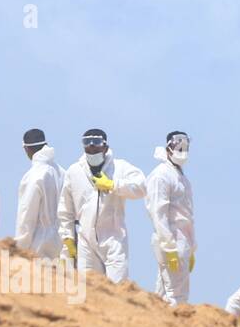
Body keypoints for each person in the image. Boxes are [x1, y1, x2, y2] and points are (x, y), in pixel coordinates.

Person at [57, 129, 146, 282]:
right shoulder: (74, 171)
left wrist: (114, 185)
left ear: (105, 146)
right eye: (87, 142)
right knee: (89, 288)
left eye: (97, 142)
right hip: (86, 241)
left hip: (114, 239)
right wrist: (67, 238)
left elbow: (141, 188)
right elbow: (65, 209)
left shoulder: (120, 168)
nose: (92, 147)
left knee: (117, 288)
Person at [145, 131, 196, 305]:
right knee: (177, 296)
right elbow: (158, 213)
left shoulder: (179, 175)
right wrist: (169, 247)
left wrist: (191, 247)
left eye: (185, 145)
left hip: (181, 242)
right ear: (168, 148)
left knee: (162, 295)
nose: (182, 149)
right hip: (171, 241)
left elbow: (186, 214)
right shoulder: (161, 175)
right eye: (177, 145)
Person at [13, 129, 65, 259]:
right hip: (62, 242)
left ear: (26, 149)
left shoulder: (33, 176)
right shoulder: (62, 172)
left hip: (39, 243)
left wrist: (19, 247)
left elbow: (26, 215)